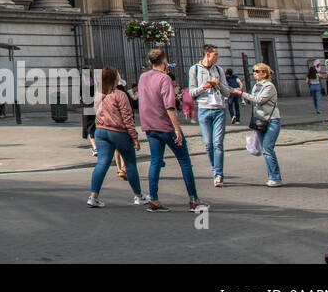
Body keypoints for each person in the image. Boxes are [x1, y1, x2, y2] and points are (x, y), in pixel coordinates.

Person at [141, 49, 206, 212]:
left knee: (155, 161)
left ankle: (153, 199)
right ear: (164, 61)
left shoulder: (143, 77)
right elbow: (169, 106)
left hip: (150, 126)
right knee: (184, 161)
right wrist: (177, 129)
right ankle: (193, 199)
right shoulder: (165, 79)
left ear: (150, 62)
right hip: (165, 125)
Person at [89, 66, 143, 207]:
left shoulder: (98, 95)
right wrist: (134, 137)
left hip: (100, 131)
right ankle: (138, 196)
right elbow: (127, 117)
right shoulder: (119, 95)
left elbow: (96, 112)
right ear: (114, 78)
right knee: (130, 163)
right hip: (118, 131)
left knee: (102, 163)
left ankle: (93, 197)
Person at [188, 44, 231, 188]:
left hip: (219, 109)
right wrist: (204, 87)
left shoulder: (219, 70)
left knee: (217, 143)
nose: (217, 57)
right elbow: (192, 92)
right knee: (208, 144)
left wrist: (218, 85)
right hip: (204, 109)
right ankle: (214, 168)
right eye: (215, 55)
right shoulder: (194, 69)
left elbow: (227, 92)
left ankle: (218, 174)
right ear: (207, 54)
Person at [235, 62, 281, 187]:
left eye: (257, 71)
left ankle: (275, 177)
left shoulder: (269, 86)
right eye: (254, 71)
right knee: (265, 149)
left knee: (267, 148)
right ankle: (272, 176)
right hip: (260, 120)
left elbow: (259, 100)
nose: (254, 73)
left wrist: (241, 93)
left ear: (264, 73)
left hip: (272, 120)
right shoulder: (256, 86)